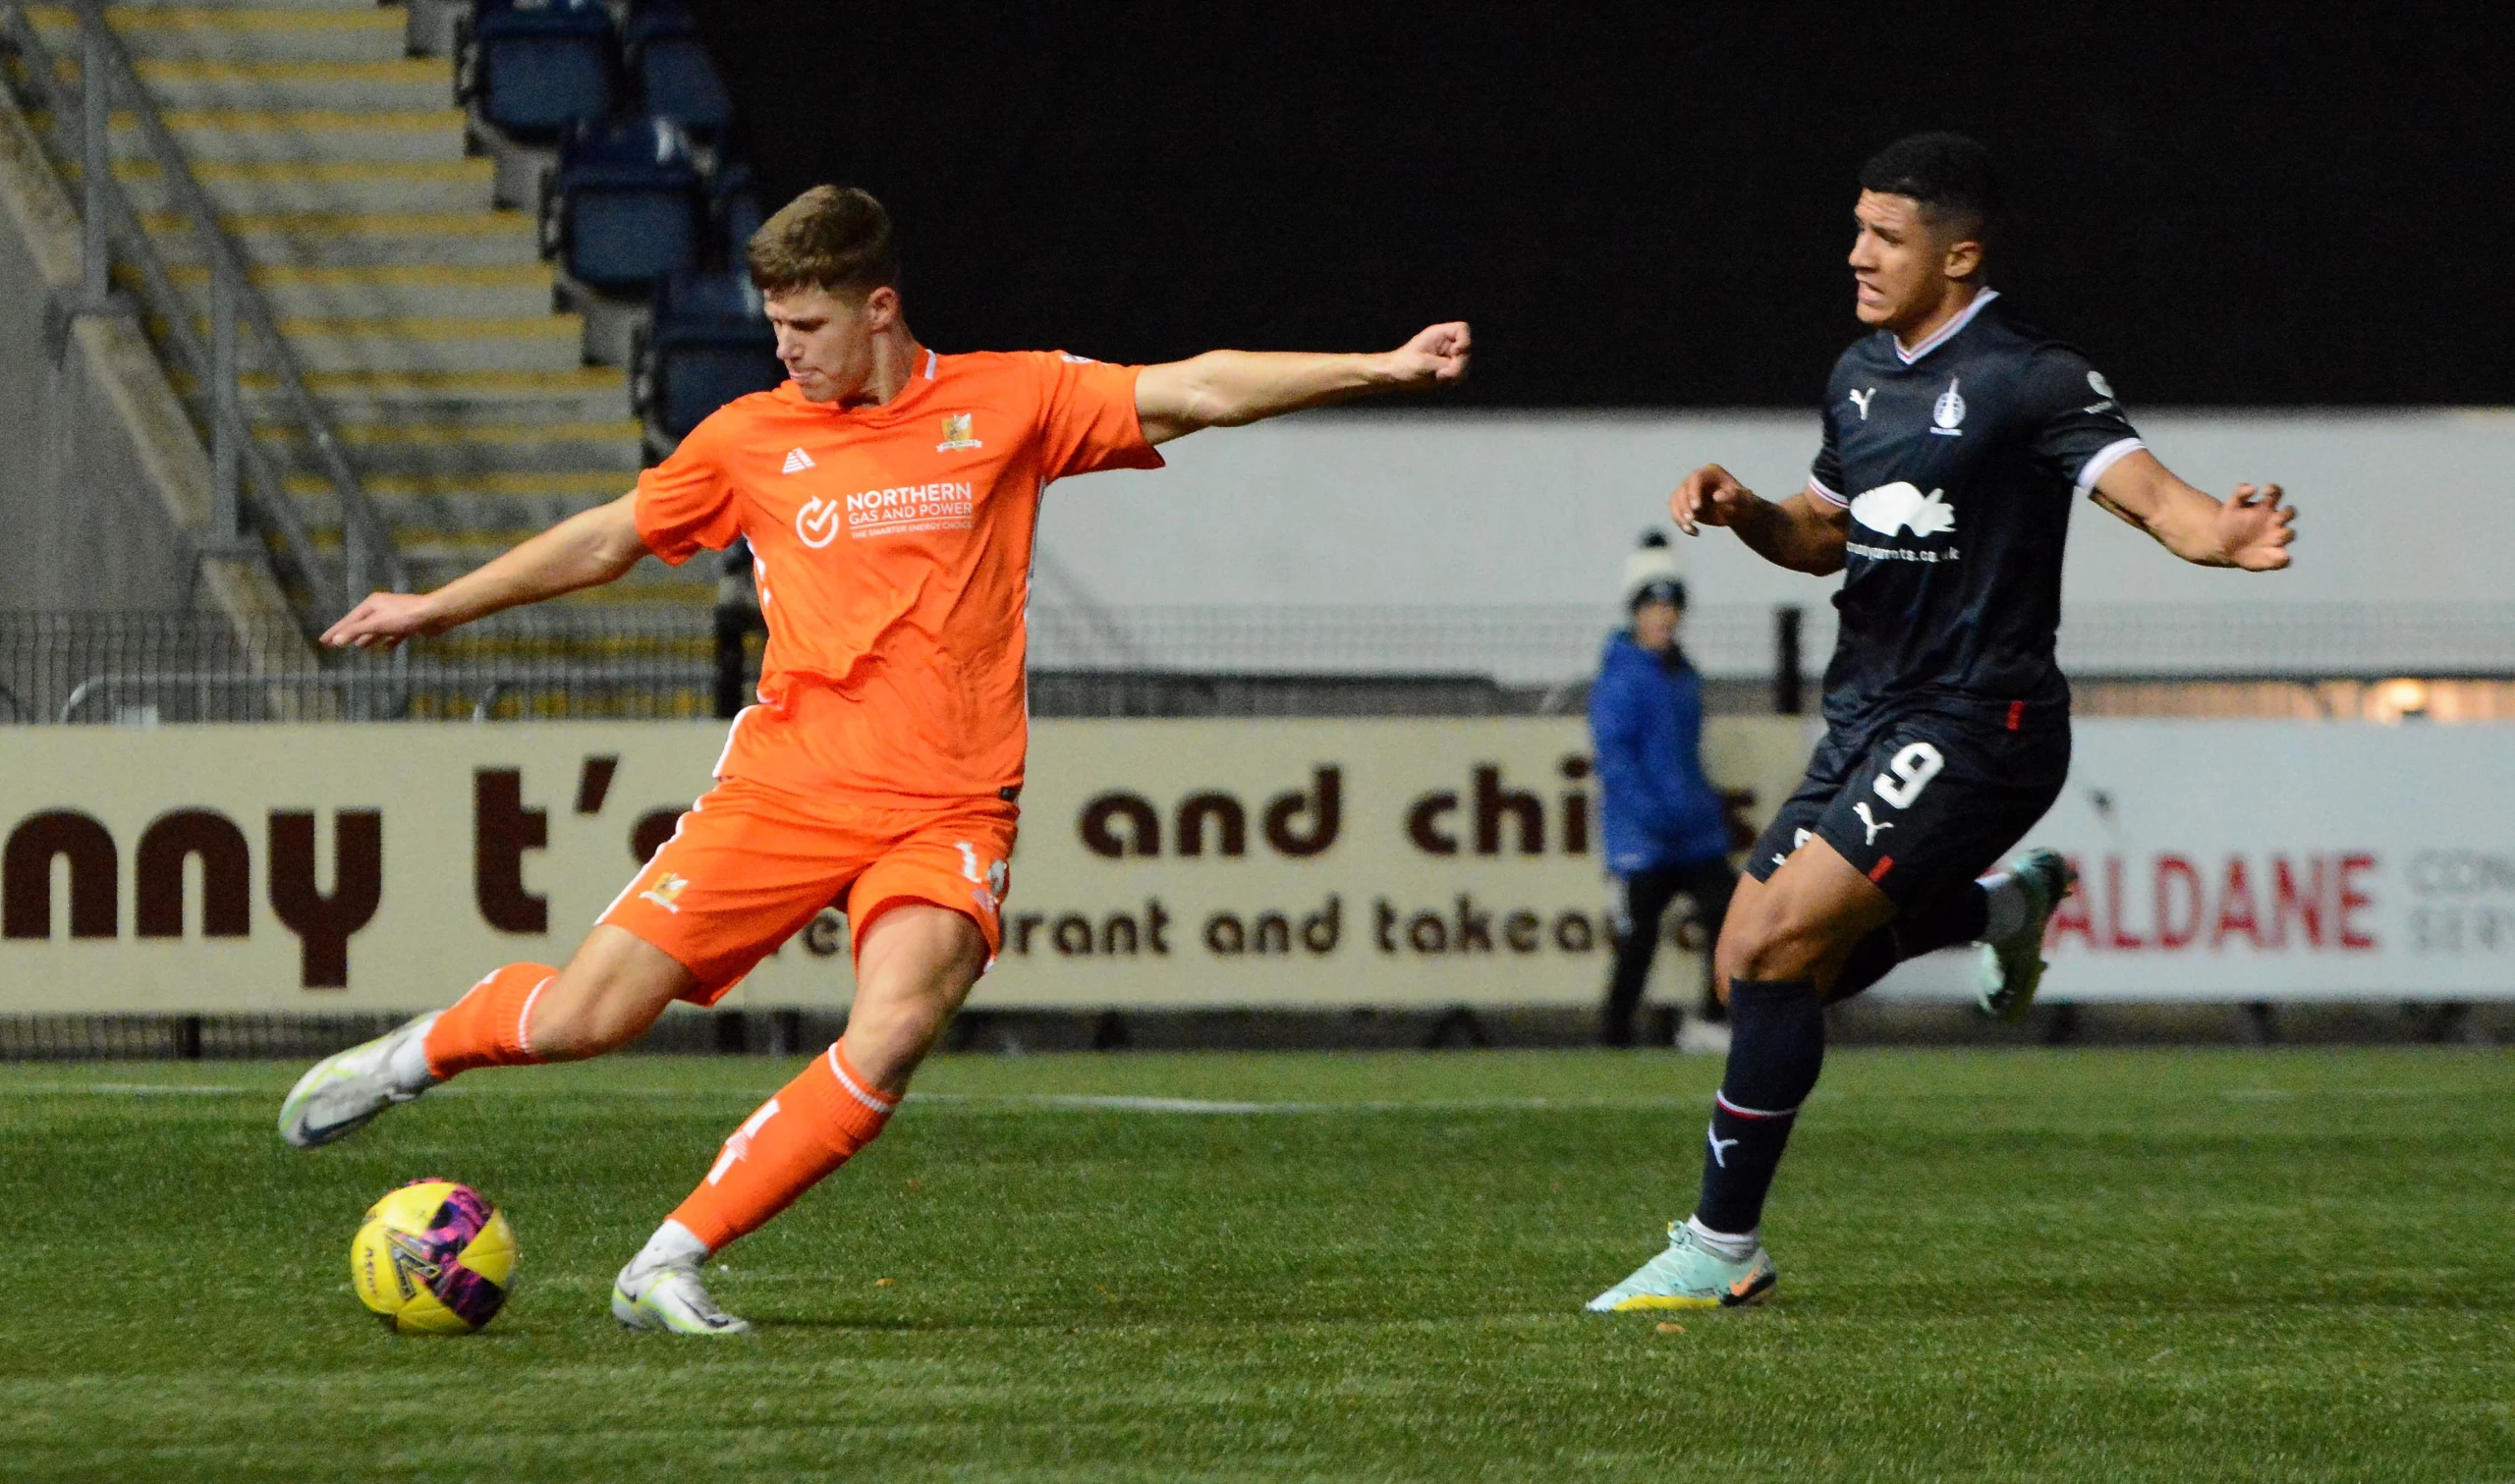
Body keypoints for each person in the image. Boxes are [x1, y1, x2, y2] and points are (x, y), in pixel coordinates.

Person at [277, 186, 1472, 1335]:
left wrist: (1379, 364)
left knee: (895, 1025)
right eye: (775, 325)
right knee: (586, 1017)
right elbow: (606, 539)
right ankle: (415, 1051)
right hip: (785, 787)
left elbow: (1199, 387)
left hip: (949, 802)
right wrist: (437, 605)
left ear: (879, 308)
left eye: (805, 325)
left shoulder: (1011, 401)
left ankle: (669, 1259)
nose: (785, 350)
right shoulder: (749, 439)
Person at [1587, 133, 2295, 1312]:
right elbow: (1824, 534)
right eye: (1856, 227)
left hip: (1984, 719)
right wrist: (1747, 505)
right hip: (1868, 715)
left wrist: (2220, 533)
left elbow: (2155, 499)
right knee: (1757, 968)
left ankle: (1721, 1248)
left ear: (1958, 254)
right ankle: (2001, 907)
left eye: (1885, 236)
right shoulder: (1861, 373)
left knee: (1767, 951)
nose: (1856, 253)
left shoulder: (2032, 375)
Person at [1588, 531, 1737, 1049]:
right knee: (1638, 939)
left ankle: (1713, 1020)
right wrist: (1654, 815)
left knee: (1730, 915)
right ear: (1636, 611)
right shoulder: (1620, 679)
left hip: (1694, 834)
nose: (1664, 616)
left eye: (1671, 604)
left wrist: (1701, 813)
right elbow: (1617, 761)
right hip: (1646, 837)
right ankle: (1614, 1033)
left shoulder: (1683, 675)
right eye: (1653, 604)